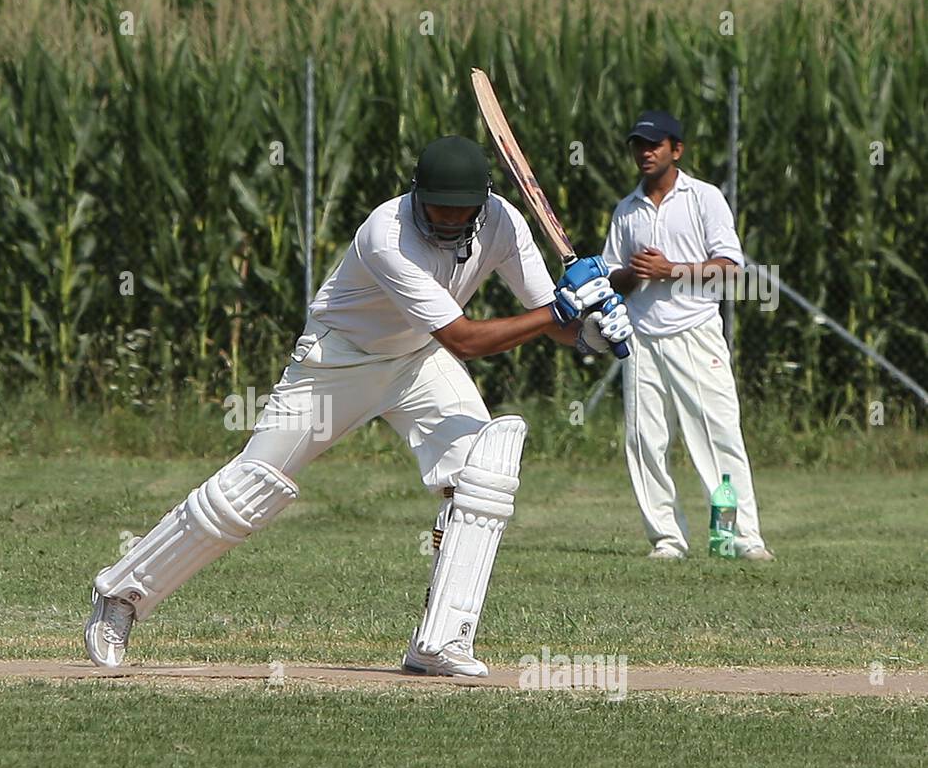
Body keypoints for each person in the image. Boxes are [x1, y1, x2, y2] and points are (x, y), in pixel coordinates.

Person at [85, 135, 633, 677]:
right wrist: (563, 312)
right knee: (249, 490)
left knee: (479, 477)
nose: (445, 218)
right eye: (435, 206)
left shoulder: (504, 223)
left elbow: (548, 320)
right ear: (415, 194)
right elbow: (467, 339)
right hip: (339, 358)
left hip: (419, 361)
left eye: (459, 210)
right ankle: (121, 595)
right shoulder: (386, 233)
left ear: (483, 203)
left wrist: (591, 331)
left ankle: (440, 641)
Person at [602, 110, 772, 561]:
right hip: (640, 339)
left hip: (695, 333)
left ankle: (742, 538)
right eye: (639, 144)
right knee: (644, 440)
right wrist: (631, 277)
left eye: (655, 144)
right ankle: (667, 538)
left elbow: (729, 270)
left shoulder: (704, 198)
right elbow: (611, 277)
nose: (645, 152)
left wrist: (669, 270)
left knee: (717, 435)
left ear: (676, 150)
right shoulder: (626, 210)